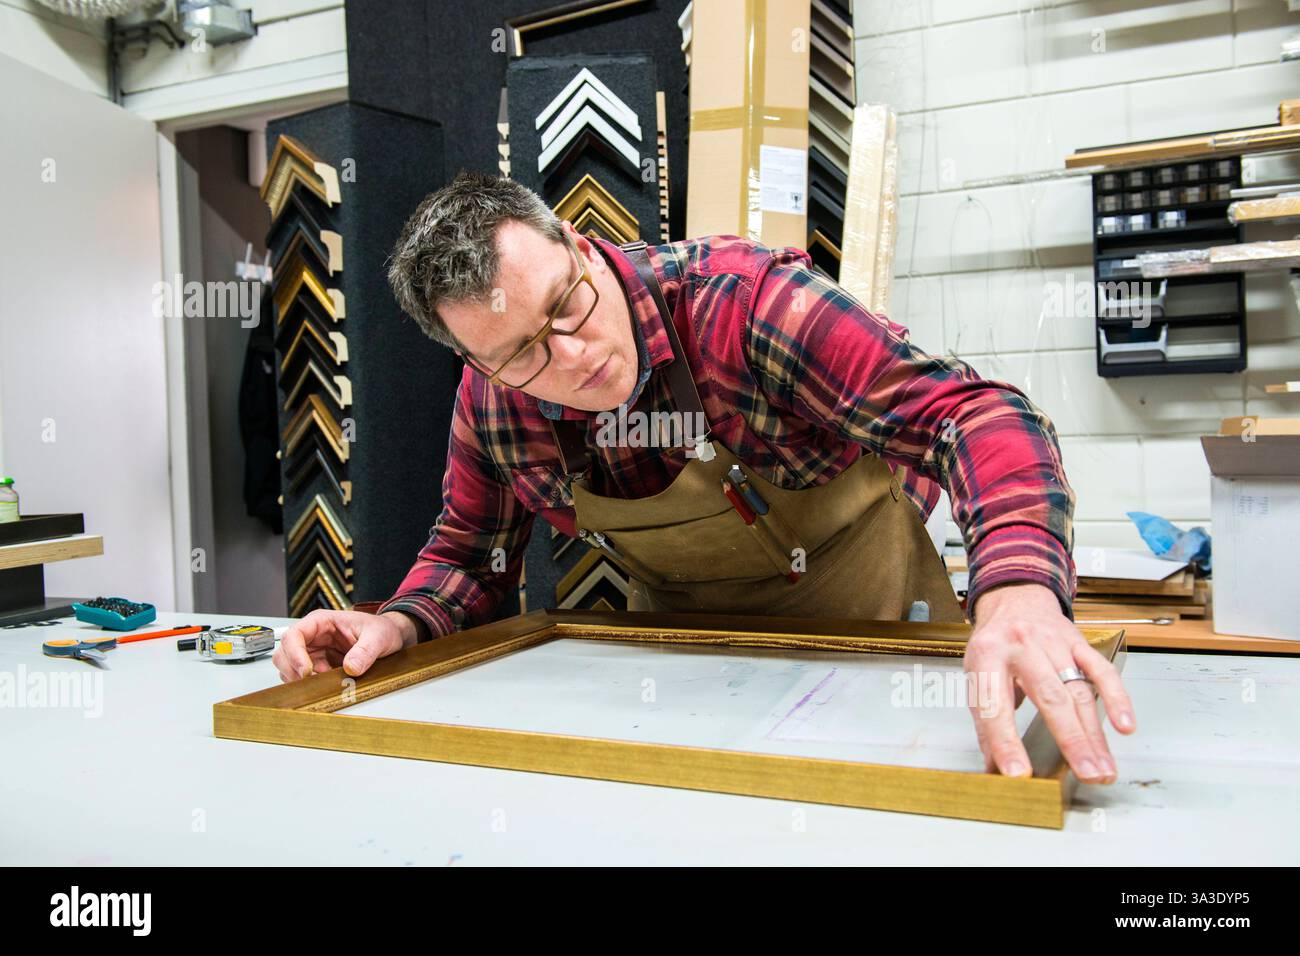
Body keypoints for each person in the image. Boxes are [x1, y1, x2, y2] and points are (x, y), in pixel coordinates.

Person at [273, 171, 1135, 785]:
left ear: (579, 245)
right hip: (687, 691)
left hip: (881, 659)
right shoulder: (494, 401)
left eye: (566, 305)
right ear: (477, 361)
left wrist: (1019, 592)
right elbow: (470, 554)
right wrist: (397, 623)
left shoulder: (744, 304)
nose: (571, 357)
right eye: (523, 353)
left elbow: (974, 416)